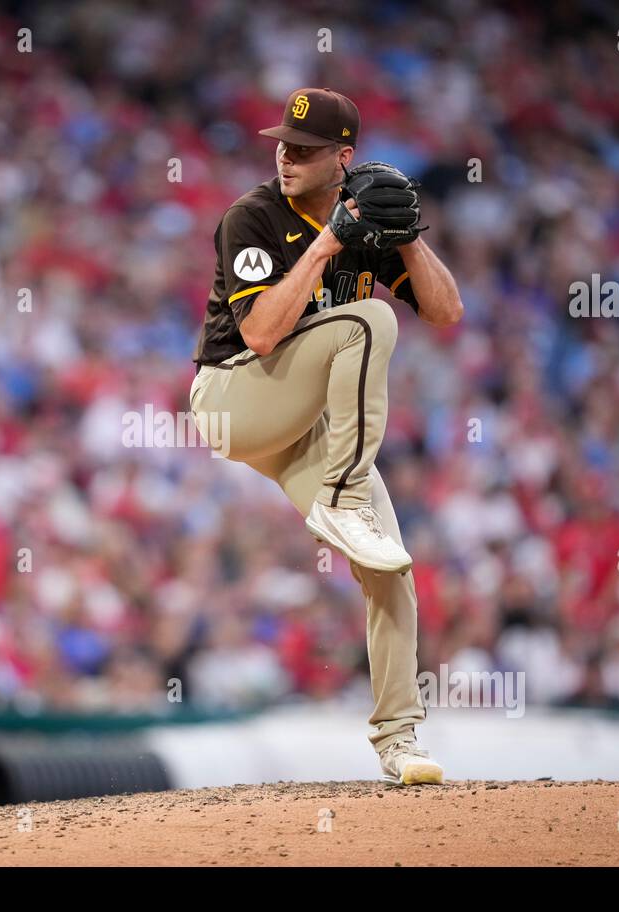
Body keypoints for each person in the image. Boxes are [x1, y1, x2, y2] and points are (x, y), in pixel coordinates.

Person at [189, 88, 464, 784]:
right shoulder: (252, 216)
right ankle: (342, 497)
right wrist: (330, 242)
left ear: (343, 158)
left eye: (304, 149)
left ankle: (399, 741)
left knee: (390, 564)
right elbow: (259, 333)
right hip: (236, 396)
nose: (286, 155)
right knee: (371, 320)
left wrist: (406, 237)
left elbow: (447, 310)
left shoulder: (369, 225)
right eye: (282, 143)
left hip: (304, 432)